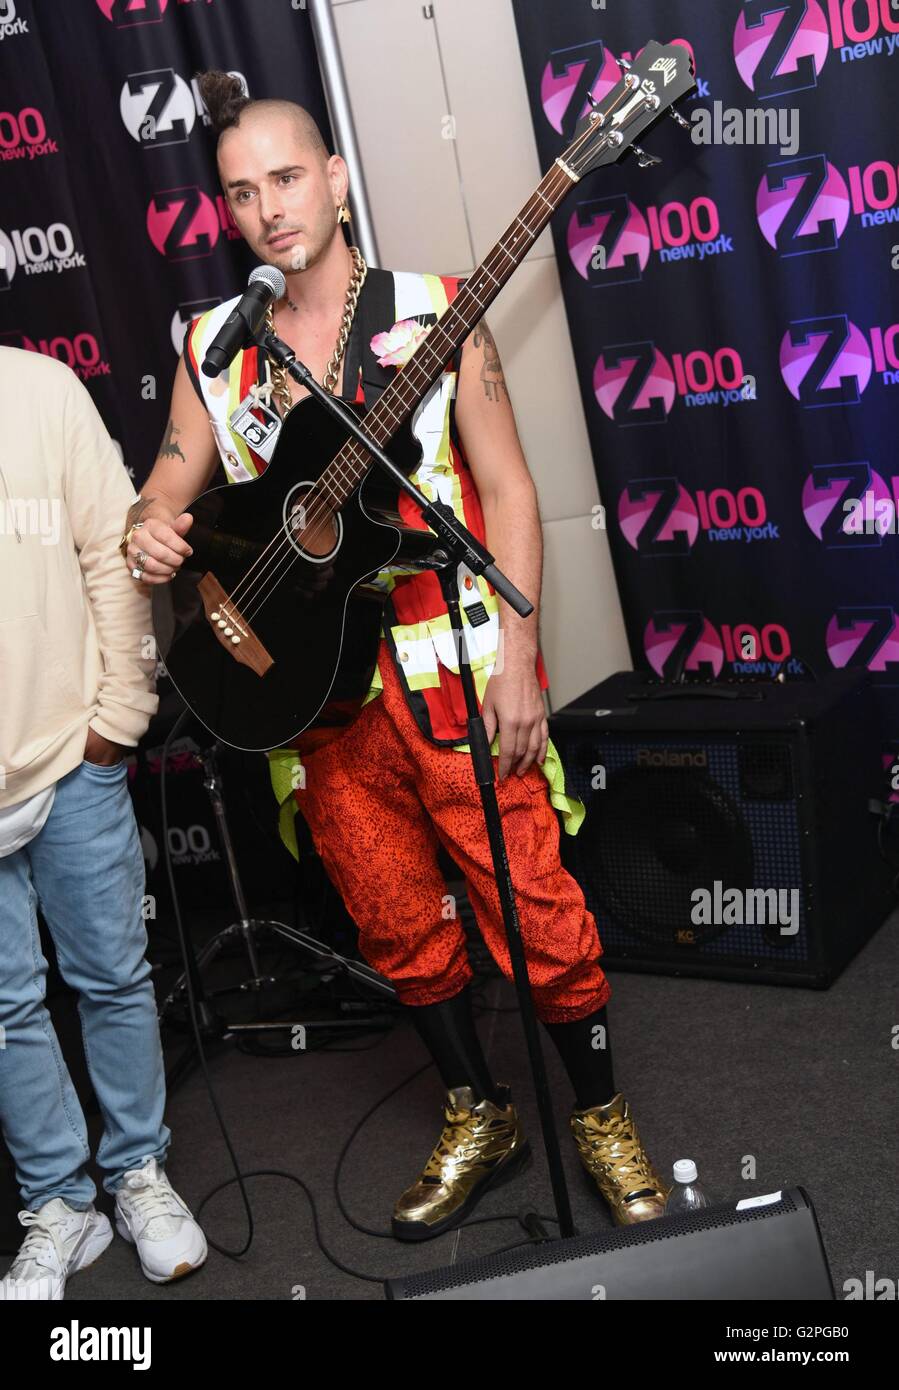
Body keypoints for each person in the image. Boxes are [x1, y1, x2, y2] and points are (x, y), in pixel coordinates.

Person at [121, 70, 668, 1240]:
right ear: (222, 214)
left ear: (333, 177)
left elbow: (509, 488)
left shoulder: (432, 307)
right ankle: (478, 1109)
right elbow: (167, 490)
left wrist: (521, 652)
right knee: (390, 918)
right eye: (238, 191)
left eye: (284, 176)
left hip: (451, 668)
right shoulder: (216, 351)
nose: (267, 206)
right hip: (313, 698)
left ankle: (597, 1111)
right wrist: (149, 528)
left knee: (532, 906)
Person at [0, 347, 207, 1299]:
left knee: (112, 977)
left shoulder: (40, 388)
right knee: (4, 1012)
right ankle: (58, 1204)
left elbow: (110, 551)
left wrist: (116, 723)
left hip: (69, 752)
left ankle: (136, 1174)